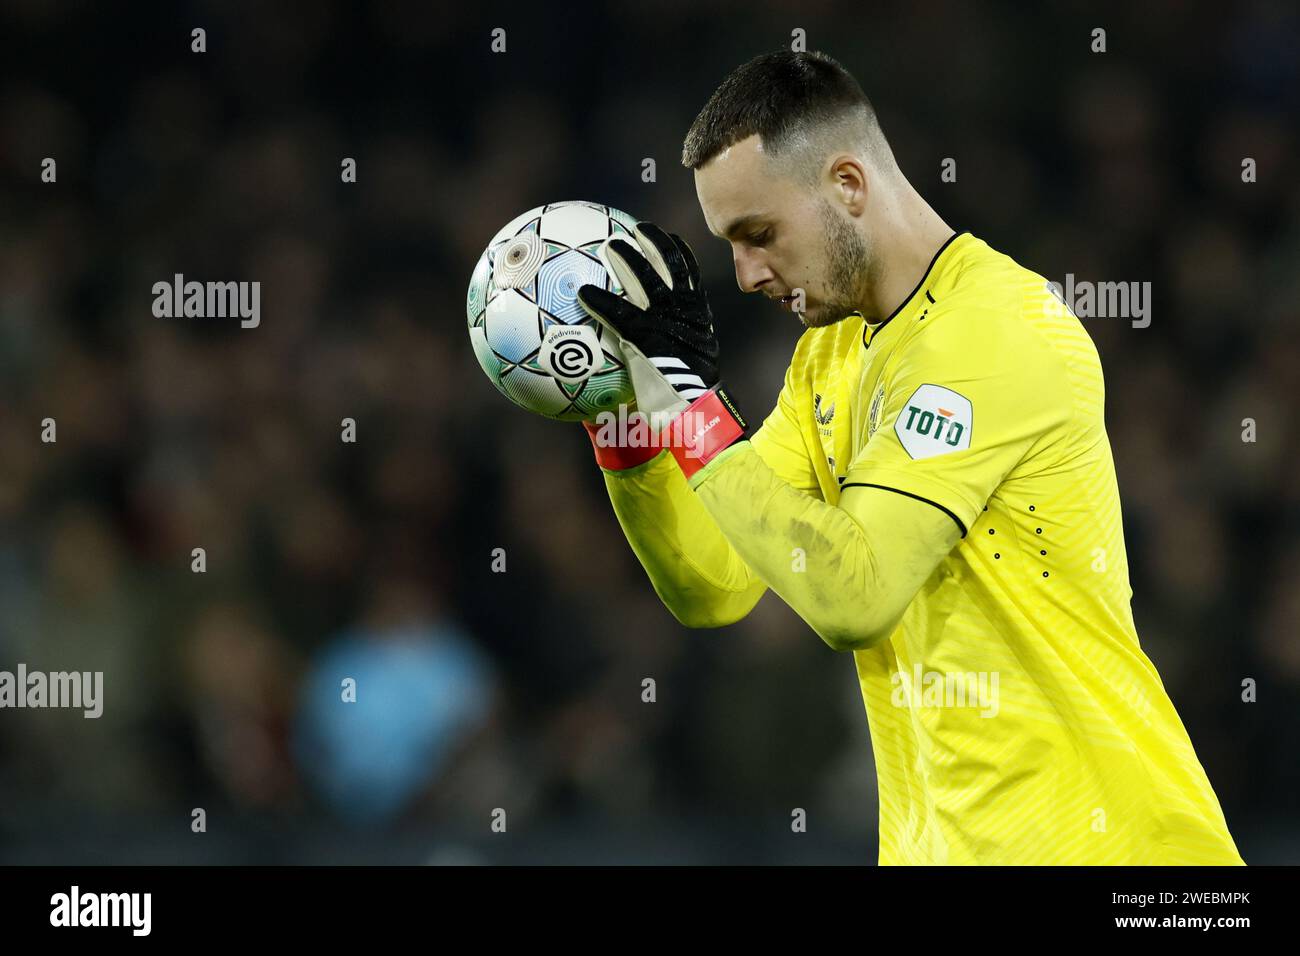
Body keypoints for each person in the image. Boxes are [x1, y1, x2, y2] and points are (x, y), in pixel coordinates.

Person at [575, 49, 1244, 865]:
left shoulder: (993, 330)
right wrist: (631, 419)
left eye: (760, 235)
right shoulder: (830, 360)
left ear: (847, 186)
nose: (746, 275)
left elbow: (853, 594)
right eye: (731, 246)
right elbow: (716, 582)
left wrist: (693, 406)